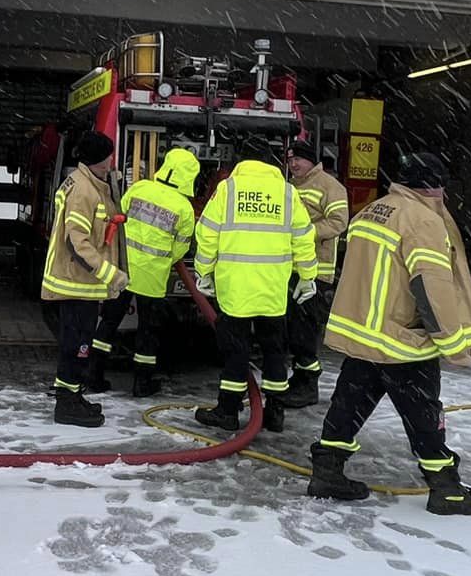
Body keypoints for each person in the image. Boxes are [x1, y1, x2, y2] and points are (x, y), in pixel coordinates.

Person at [306, 148, 471, 515]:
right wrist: (452, 345)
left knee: (348, 404)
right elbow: (430, 287)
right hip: (399, 339)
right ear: (434, 187)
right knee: (424, 415)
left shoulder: (374, 210)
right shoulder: (422, 221)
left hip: (363, 335)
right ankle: (447, 490)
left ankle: (327, 471)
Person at [192, 137, 316, 434]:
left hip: (235, 288)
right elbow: (303, 237)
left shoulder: (228, 189)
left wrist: (203, 271)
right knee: (275, 351)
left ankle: (228, 411)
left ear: (240, 163)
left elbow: (207, 234)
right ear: (273, 163)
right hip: (273, 289)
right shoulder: (287, 193)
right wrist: (308, 276)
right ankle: (273, 412)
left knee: (236, 352)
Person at [86, 147, 201, 398]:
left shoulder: (140, 188)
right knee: (148, 332)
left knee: (108, 323)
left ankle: (93, 374)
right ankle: (142, 383)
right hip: (153, 277)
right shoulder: (184, 208)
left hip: (123, 269)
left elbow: (120, 217)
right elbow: (180, 249)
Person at [41, 129, 125, 427]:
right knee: (76, 347)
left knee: (77, 345)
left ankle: (73, 396)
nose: (113, 161)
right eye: (110, 156)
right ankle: (67, 406)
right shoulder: (83, 191)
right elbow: (78, 244)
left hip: (80, 286)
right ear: (99, 160)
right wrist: (110, 275)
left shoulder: (89, 183)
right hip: (74, 285)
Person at [281, 140, 350, 407]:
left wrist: (304, 233)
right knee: (293, 329)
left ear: (312, 160)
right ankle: (299, 381)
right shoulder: (290, 188)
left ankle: (308, 385)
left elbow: (338, 222)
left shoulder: (330, 186)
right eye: (290, 160)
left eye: (298, 159)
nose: (294, 164)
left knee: (304, 330)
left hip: (315, 273)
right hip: (291, 268)